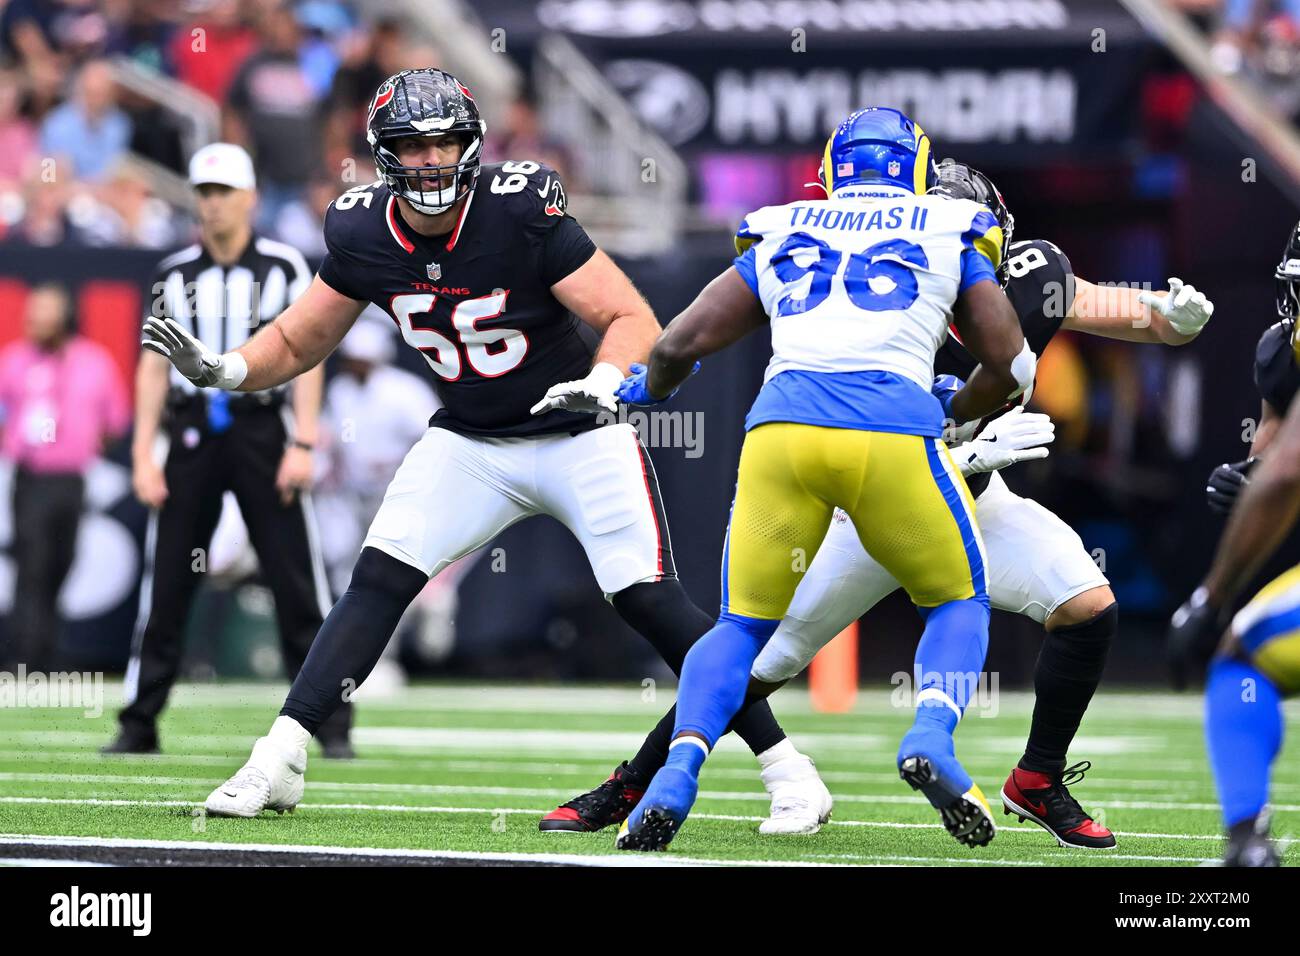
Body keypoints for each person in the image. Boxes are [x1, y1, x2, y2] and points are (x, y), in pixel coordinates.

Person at [138, 68, 825, 819]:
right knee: (377, 581)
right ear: (383, 152)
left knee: (654, 603)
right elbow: (303, 337)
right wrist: (229, 367)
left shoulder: (519, 207)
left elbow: (631, 318)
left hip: (576, 430)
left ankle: (789, 772)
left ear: (472, 145)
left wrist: (601, 380)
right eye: (414, 144)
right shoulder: (362, 229)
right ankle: (279, 757)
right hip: (470, 439)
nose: (432, 159)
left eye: (445, 142)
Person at [567, 160, 1215, 847]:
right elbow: (892, 435)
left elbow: (1118, 310)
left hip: (967, 501)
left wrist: (1173, 320)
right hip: (866, 501)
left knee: (1088, 605)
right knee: (757, 666)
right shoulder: (884, 293)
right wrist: (966, 450)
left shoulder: (1026, 276)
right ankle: (635, 780)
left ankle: (1037, 778)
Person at [615, 108, 1036, 851]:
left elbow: (680, 340)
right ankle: (932, 737)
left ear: (833, 168)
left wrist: (649, 390)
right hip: (891, 434)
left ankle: (678, 772)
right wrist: (954, 408)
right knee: (955, 601)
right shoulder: (949, 225)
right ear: (916, 164)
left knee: (740, 626)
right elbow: (1006, 361)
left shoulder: (785, 224)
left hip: (782, 433)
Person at [103, 142, 346, 757]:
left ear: (249, 198)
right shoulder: (173, 272)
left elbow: (309, 358)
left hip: (262, 429)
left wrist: (304, 440)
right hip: (191, 434)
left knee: (296, 582)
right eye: (203, 193)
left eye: (223, 193)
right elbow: (152, 368)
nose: (211, 205)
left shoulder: (285, 266)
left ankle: (331, 724)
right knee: (167, 584)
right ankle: (140, 722)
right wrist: (141, 454)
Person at [1167, 220, 1300, 867]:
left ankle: (1248, 845)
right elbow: (1275, 456)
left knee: (1238, 657)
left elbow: (1288, 469)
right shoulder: (1281, 352)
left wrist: (1211, 598)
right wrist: (1254, 476)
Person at [0, 282, 129, 671]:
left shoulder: (94, 361)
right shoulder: (15, 360)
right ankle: (26, 657)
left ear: (65, 316)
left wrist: (81, 444)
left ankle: (43, 649)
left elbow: (115, 420)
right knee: (33, 563)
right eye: (33, 310)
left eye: (45, 311)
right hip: (32, 477)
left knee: (62, 561)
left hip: (72, 479)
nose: (35, 319)